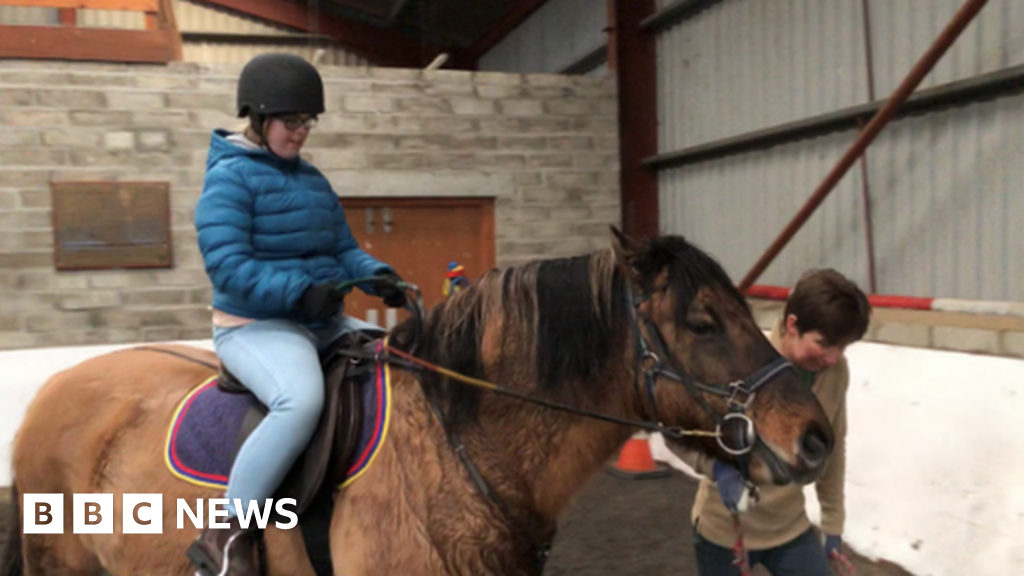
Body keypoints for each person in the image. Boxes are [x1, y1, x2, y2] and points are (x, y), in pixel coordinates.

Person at [188, 52, 407, 575]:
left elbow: (344, 250)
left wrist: (380, 275)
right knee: (300, 400)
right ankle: (228, 535)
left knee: (404, 361)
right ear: (259, 120)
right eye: (292, 121)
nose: (302, 132)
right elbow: (227, 267)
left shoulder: (312, 181)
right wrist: (300, 292)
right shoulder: (229, 180)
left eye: (308, 122)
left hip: (318, 320)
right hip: (254, 327)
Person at [671, 268, 871, 576]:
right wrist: (717, 466)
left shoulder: (835, 373)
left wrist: (833, 526)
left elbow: (832, 448)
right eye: (824, 343)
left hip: (789, 528)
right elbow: (675, 430)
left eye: (842, 347)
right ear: (792, 325)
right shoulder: (735, 362)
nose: (833, 358)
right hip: (724, 533)